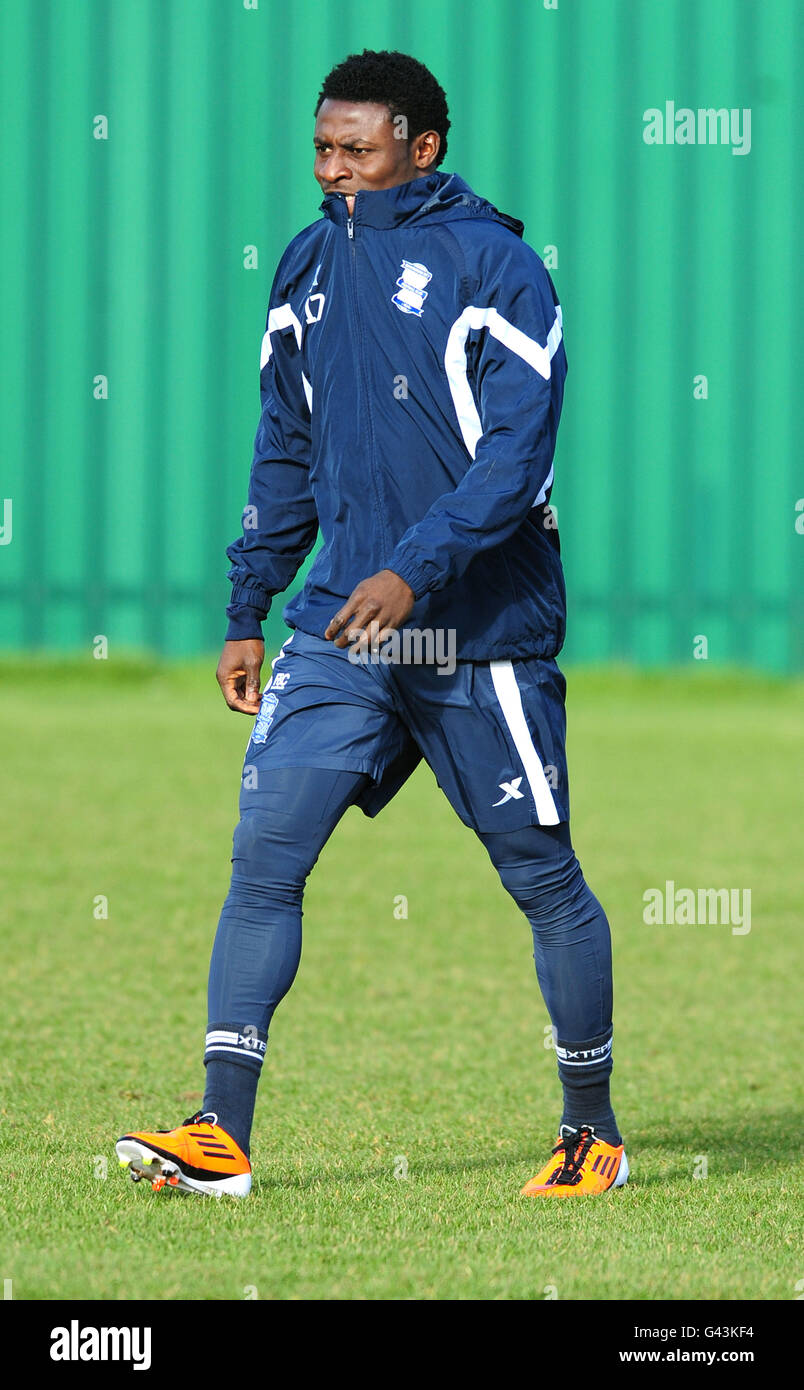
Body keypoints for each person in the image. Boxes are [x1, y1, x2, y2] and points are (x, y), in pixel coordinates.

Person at [116, 49, 626, 1200]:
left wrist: (413, 571)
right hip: (341, 629)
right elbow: (283, 449)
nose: (335, 170)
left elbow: (516, 465)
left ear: (422, 145)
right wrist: (250, 603)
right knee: (264, 860)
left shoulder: (498, 267)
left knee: (541, 876)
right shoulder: (303, 266)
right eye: (322, 148)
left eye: (358, 148)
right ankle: (221, 1134)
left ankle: (592, 1131)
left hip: (475, 633)